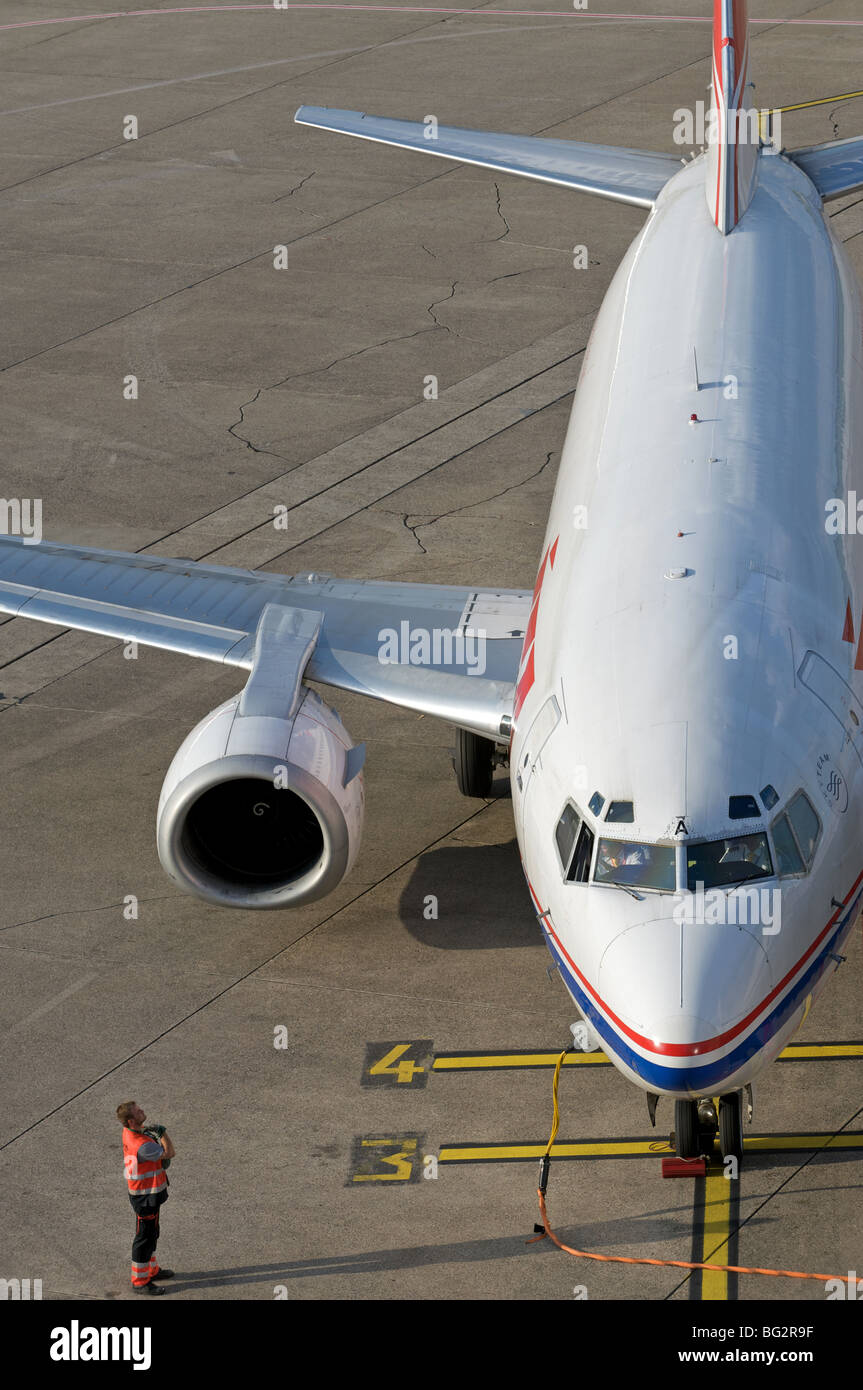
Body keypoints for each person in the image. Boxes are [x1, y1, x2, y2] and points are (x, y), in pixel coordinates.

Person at [116, 1100, 176, 1295]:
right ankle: (140, 1281)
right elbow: (169, 1153)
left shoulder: (131, 1132)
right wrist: (162, 1133)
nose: (143, 1111)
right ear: (132, 1121)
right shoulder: (142, 1145)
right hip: (145, 1197)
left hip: (146, 1194)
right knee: (144, 1238)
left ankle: (151, 1270)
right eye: (139, 1112)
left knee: (152, 1233)